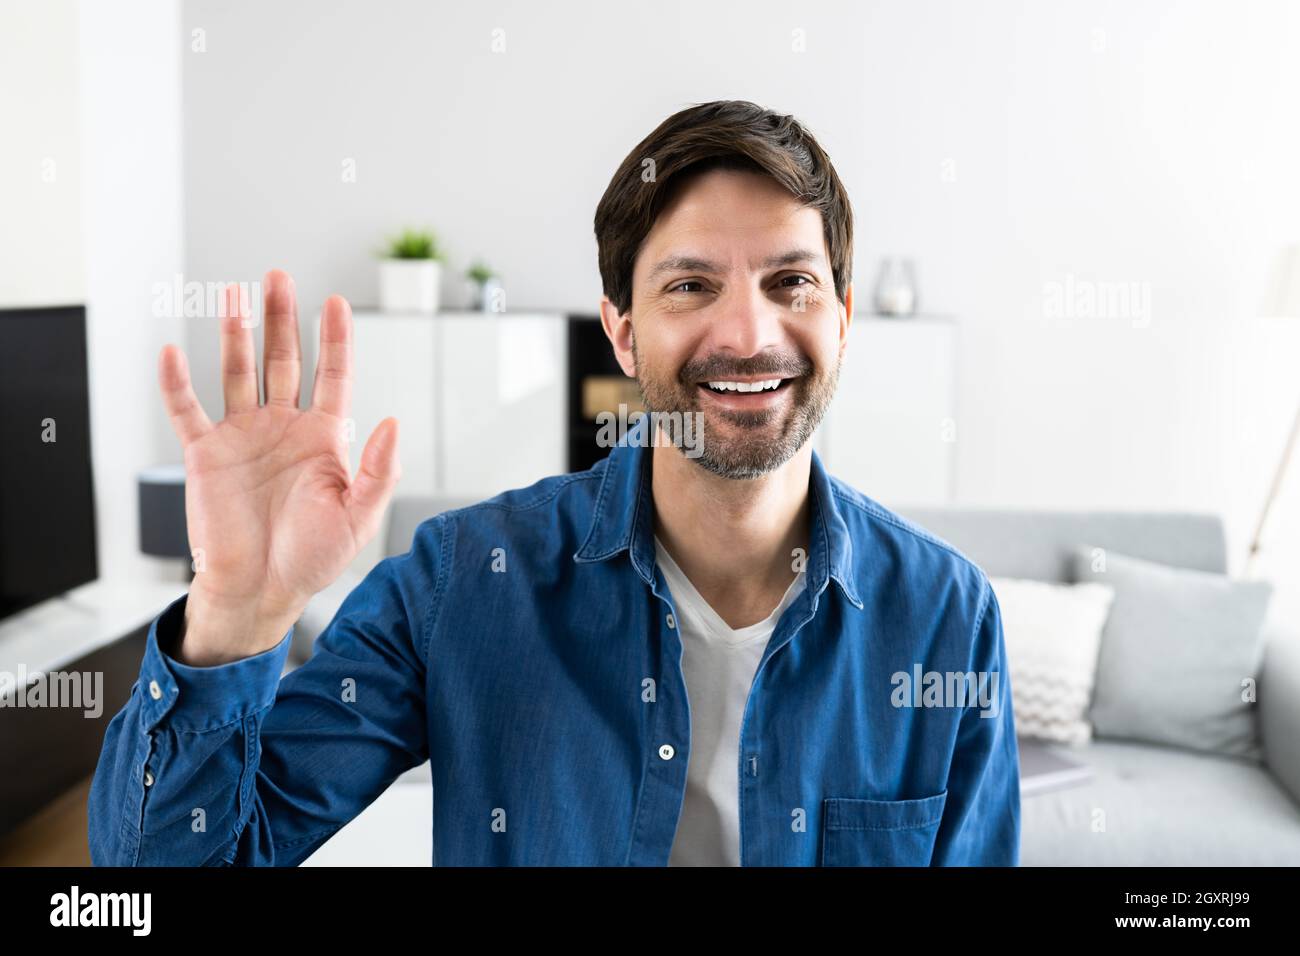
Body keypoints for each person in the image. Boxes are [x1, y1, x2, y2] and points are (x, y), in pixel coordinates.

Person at [88, 99, 1019, 867]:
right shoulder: (464, 581)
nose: (747, 334)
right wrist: (234, 615)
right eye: (691, 286)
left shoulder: (946, 615)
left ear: (844, 319)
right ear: (621, 332)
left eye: (790, 282)